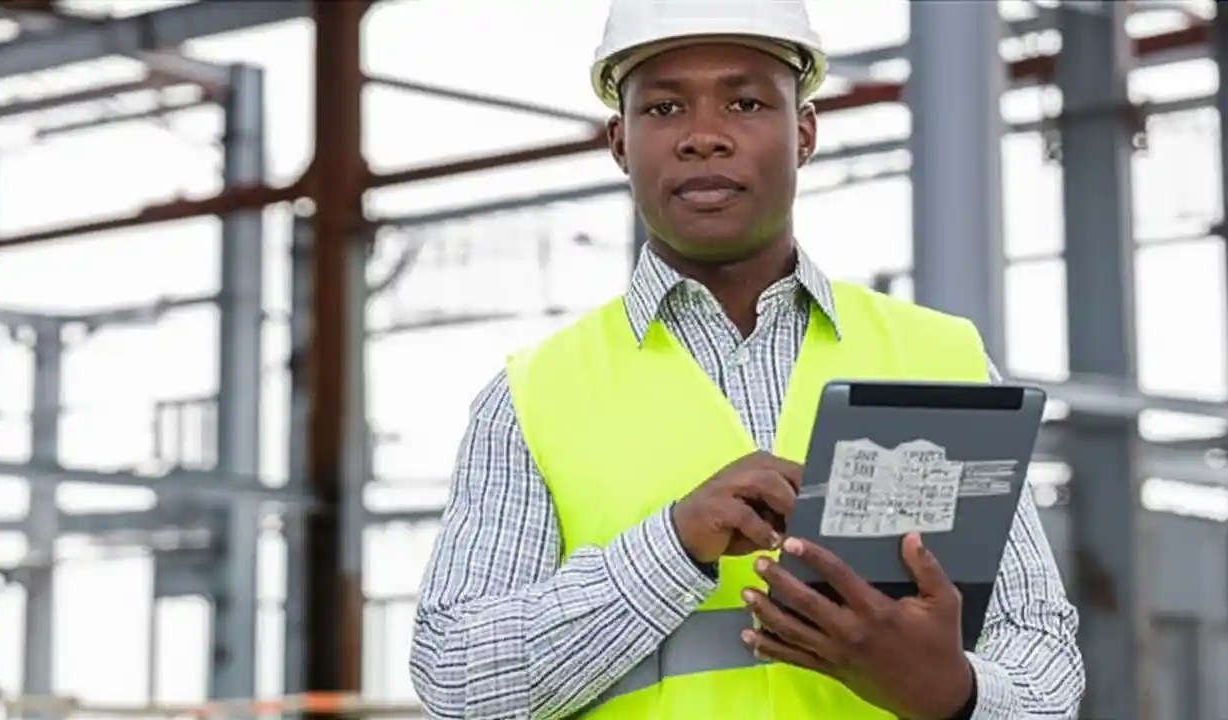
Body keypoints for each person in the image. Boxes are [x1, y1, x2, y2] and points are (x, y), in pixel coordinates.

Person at [410, 1, 1085, 718]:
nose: (704, 136)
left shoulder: (940, 360)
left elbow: (1042, 654)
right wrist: (671, 547)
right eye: (664, 107)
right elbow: (455, 682)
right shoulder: (530, 398)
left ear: (804, 131)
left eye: (746, 102)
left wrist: (956, 693)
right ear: (619, 142)